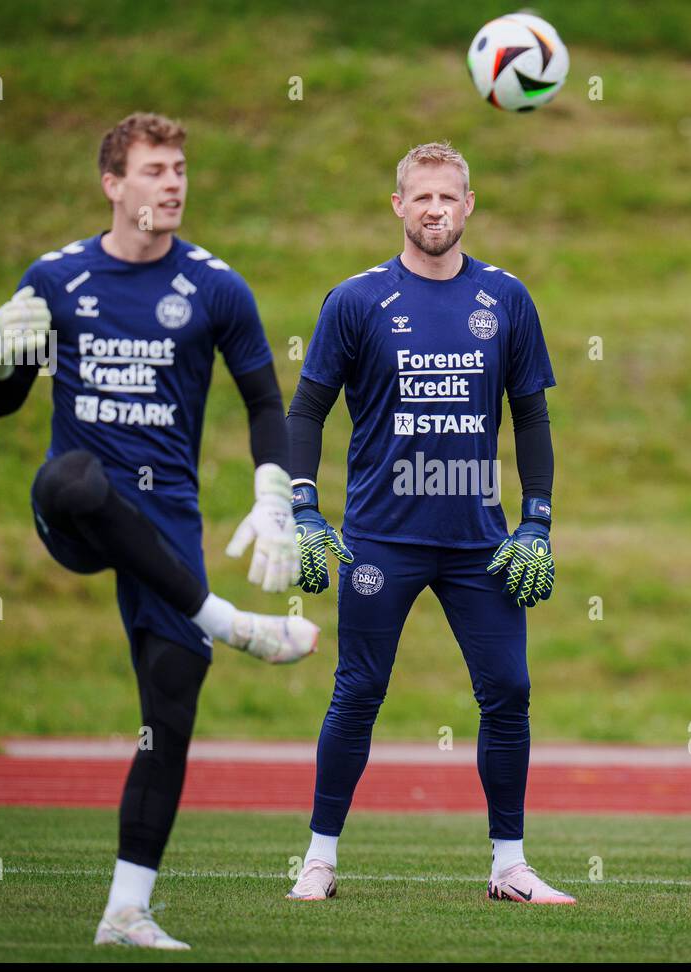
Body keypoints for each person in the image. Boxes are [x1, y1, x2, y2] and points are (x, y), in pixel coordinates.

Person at [0, 112, 318, 949]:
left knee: (170, 705)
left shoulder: (216, 287)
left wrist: (274, 496)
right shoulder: (56, 278)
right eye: (155, 169)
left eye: (179, 170)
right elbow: (0, 404)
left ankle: (125, 909)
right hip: (77, 513)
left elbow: (267, 403)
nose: (172, 183)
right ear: (113, 184)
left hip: (165, 529)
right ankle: (228, 621)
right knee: (74, 476)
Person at [285, 141, 573, 905]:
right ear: (398, 206)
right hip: (380, 535)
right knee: (358, 692)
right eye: (421, 197)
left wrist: (537, 521)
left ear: (469, 206)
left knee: (508, 690)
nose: (435, 209)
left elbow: (532, 414)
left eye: (448, 197)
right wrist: (304, 507)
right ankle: (318, 858)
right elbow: (306, 409)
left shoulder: (507, 299)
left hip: (481, 538)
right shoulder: (355, 300)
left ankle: (509, 863)